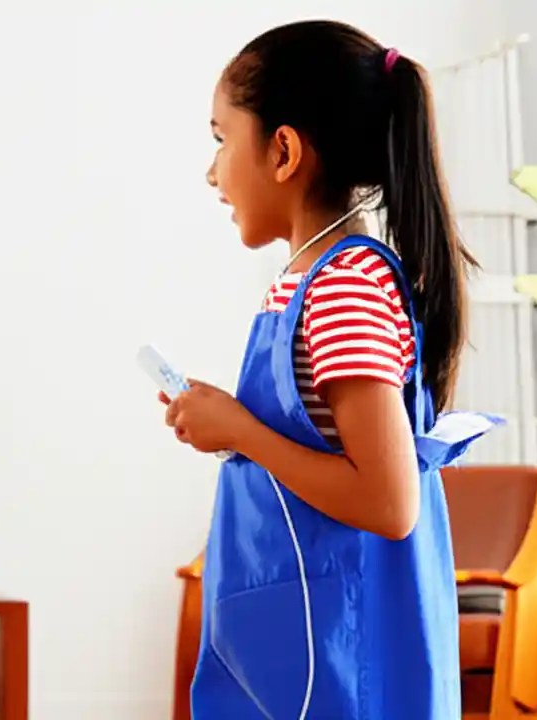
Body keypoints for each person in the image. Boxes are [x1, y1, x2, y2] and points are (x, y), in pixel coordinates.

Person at [163, 20, 480, 719]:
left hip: (339, 666)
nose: (212, 172)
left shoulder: (344, 287)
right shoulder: (308, 282)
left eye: (221, 139)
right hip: (301, 653)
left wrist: (240, 430)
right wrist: (225, 425)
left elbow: (388, 502)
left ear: (282, 151)